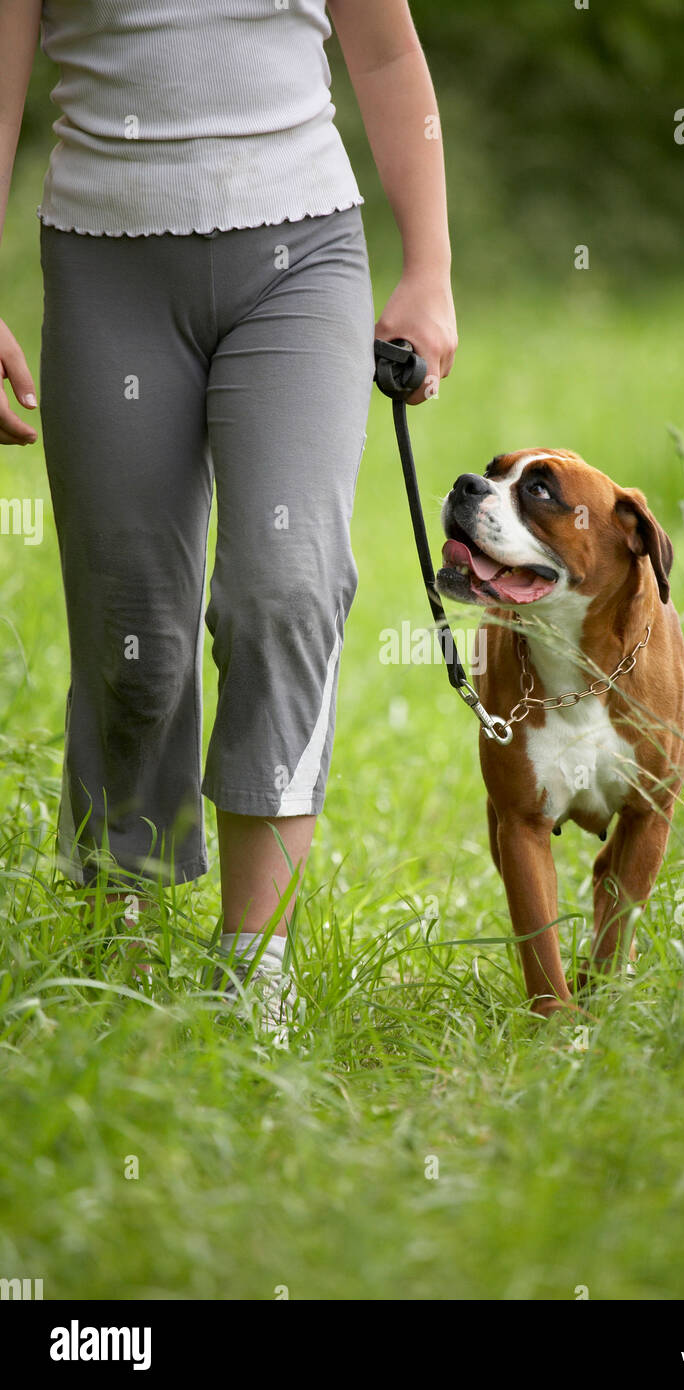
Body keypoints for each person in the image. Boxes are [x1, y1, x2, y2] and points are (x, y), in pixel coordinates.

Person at [0, 0, 457, 1032]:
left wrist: (427, 268)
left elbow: (384, 54)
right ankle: (116, 943)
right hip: (104, 259)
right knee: (133, 634)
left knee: (284, 585)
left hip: (299, 262)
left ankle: (255, 962)